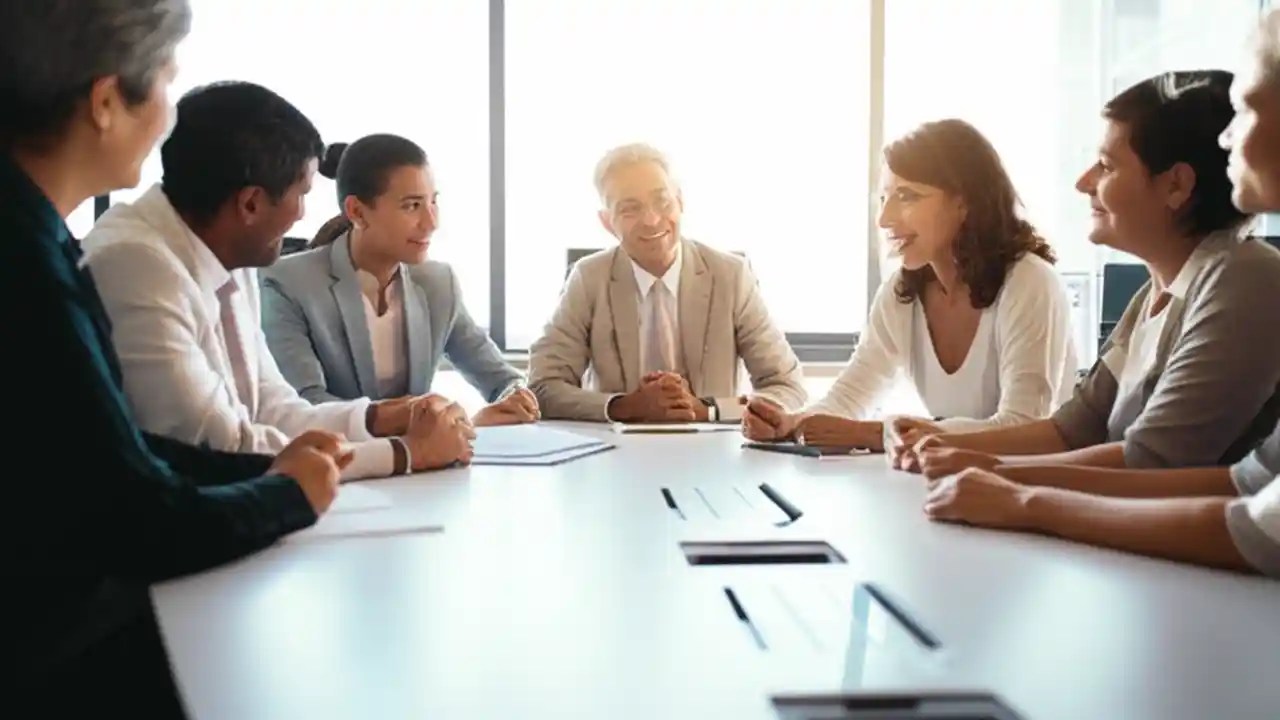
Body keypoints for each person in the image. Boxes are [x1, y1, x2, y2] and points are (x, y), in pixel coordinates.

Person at [2, 1, 349, 713]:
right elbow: (133, 516)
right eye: (164, 79)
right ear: (105, 102)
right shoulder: (29, 258)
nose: (170, 118)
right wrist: (288, 494)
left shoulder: (36, 232)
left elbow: (121, 454)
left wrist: (270, 471)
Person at [920, 20, 1280, 580]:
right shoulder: (1156, 290)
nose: (1084, 182)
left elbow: (1160, 466)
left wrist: (1010, 483)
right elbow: (1076, 427)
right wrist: (968, 455)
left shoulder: (1246, 277)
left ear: (1177, 186)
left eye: (1107, 166)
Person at [743, 120, 1077, 451]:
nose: (885, 219)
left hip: (1031, 491)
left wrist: (877, 434)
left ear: (965, 203)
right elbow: (851, 396)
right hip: (954, 482)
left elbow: (1024, 426)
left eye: (907, 196)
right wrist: (791, 424)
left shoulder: (1030, 282)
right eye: (884, 197)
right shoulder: (901, 293)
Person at [261, 135, 538, 427]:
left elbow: (500, 378)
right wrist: (453, 423)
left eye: (433, 202)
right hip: (335, 465)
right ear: (356, 211)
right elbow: (307, 408)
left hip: (426, 467)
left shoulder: (438, 283)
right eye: (412, 206)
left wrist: (514, 397)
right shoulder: (287, 284)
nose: (431, 223)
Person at [528, 142, 807, 423]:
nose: (651, 220)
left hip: (712, 452)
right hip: (617, 453)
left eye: (662, 201)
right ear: (607, 222)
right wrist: (624, 407)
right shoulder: (588, 279)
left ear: (681, 201)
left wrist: (708, 410)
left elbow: (788, 387)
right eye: (630, 209)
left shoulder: (731, 275)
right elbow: (543, 387)